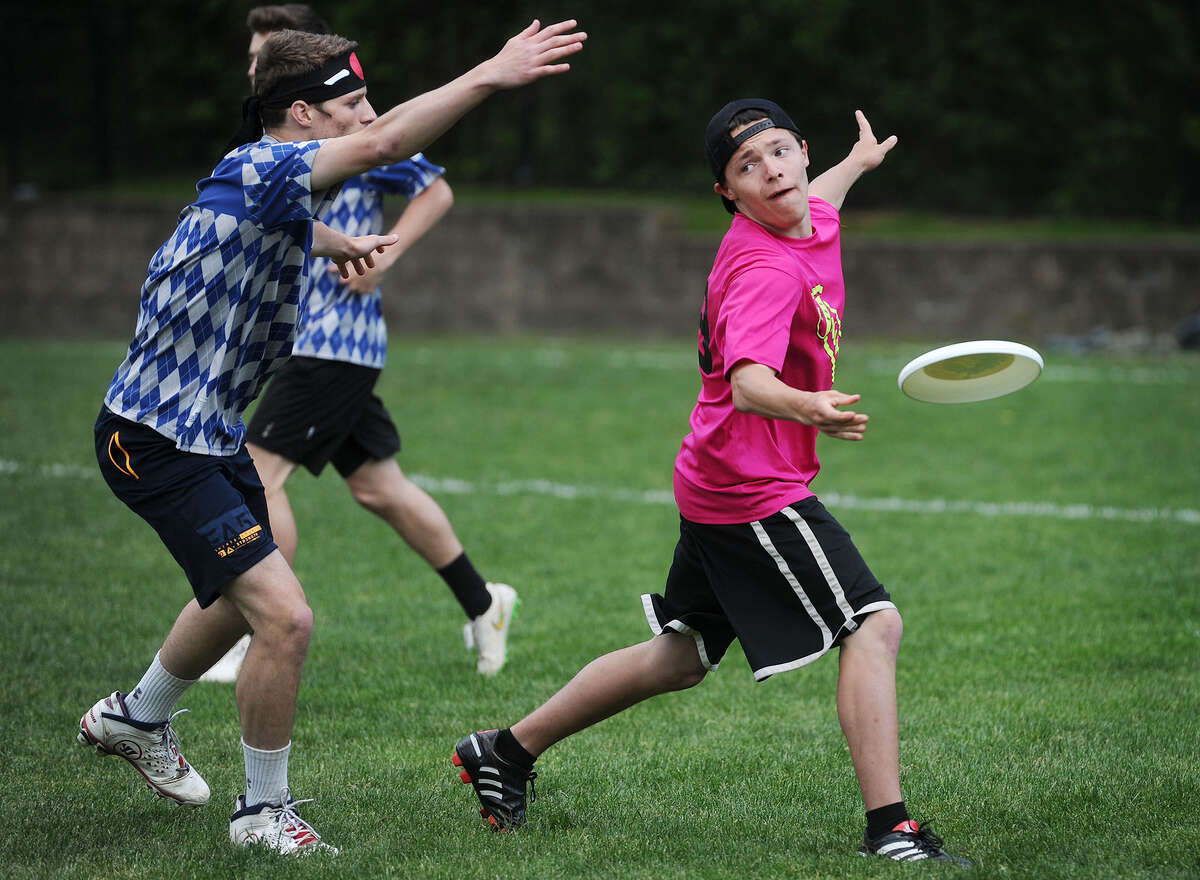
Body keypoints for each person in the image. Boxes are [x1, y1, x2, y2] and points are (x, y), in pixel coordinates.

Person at [78, 19, 586, 855]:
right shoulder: (269, 161)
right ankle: (262, 814)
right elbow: (388, 141)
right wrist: (491, 73)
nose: (367, 115)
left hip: (205, 436)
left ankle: (137, 716)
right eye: (351, 101)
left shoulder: (266, 182)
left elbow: (265, 217)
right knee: (286, 616)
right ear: (302, 115)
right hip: (153, 436)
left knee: (245, 594)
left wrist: (333, 240)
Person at [451, 100, 970, 866]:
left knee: (682, 656)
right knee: (873, 623)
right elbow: (752, 380)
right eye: (746, 168)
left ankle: (505, 752)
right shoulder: (763, 265)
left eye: (779, 152)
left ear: (800, 150)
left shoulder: (806, 211)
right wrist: (809, 407)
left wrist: (857, 163)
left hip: (715, 474)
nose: (772, 172)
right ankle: (891, 828)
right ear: (729, 194)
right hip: (749, 487)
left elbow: (816, 194)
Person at [203, 5, 516, 685]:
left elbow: (434, 188)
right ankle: (484, 601)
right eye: (252, 58)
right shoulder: (261, 145)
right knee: (380, 488)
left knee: (258, 476)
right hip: (299, 341)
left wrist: (386, 256)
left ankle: (257, 624)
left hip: (331, 339)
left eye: (265, 56)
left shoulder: (349, 131)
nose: (253, 68)